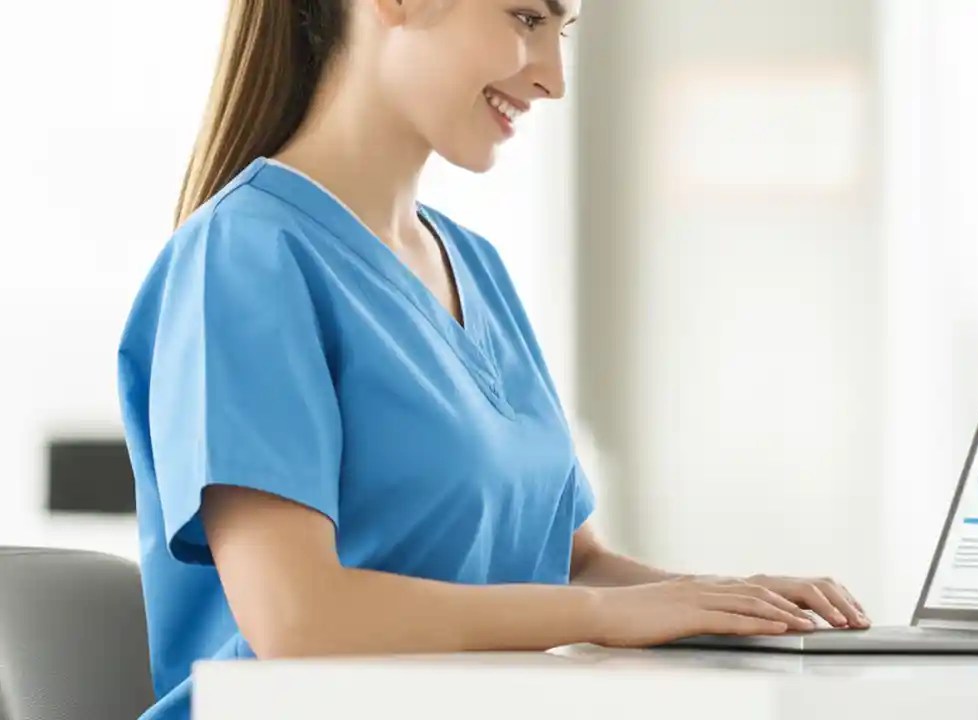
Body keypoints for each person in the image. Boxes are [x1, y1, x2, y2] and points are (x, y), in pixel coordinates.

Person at [116, 2, 870, 718]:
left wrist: (733, 602)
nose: (553, 76)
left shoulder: (473, 265)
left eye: (563, 31)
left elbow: (571, 565)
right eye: (526, 19)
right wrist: (605, 617)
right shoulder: (246, 255)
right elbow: (297, 619)